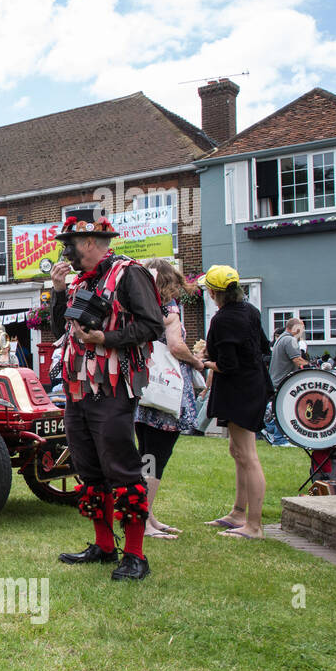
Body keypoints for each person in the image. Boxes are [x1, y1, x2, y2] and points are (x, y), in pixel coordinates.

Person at [49, 216, 163, 581]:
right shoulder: (80, 281)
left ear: (88, 242)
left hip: (112, 388)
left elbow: (153, 326)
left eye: (70, 242)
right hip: (77, 388)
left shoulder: (130, 274)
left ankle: (135, 555)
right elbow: (60, 330)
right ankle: (104, 546)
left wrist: (105, 340)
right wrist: (57, 292)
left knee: (121, 466)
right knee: (88, 466)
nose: (65, 249)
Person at [132, 259, 206, 540]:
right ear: (167, 282)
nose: (178, 290)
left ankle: (147, 515)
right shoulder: (170, 309)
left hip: (146, 394)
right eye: (175, 283)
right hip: (167, 397)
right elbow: (175, 346)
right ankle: (144, 520)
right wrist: (196, 362)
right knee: (157, 459)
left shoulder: (141, 310)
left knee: (146, 455)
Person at [200, 265, 271, 541]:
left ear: (214, 292)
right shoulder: (250, 311)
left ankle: (253, 526)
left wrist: (204, 362)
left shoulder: (223, 319)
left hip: (241, 389)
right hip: (252, 384)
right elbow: (263, 347)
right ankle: (238, 513)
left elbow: (227, 364)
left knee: (248, 456)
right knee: (237, 451)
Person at [264, 317, 306, 446]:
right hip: (283, 381)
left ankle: (269, 430)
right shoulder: (290, 340)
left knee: (278, 408)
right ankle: (279, 439)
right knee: (284, 409)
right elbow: (297, 360)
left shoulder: (281, 338)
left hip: (276, 379)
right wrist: (312, 369)